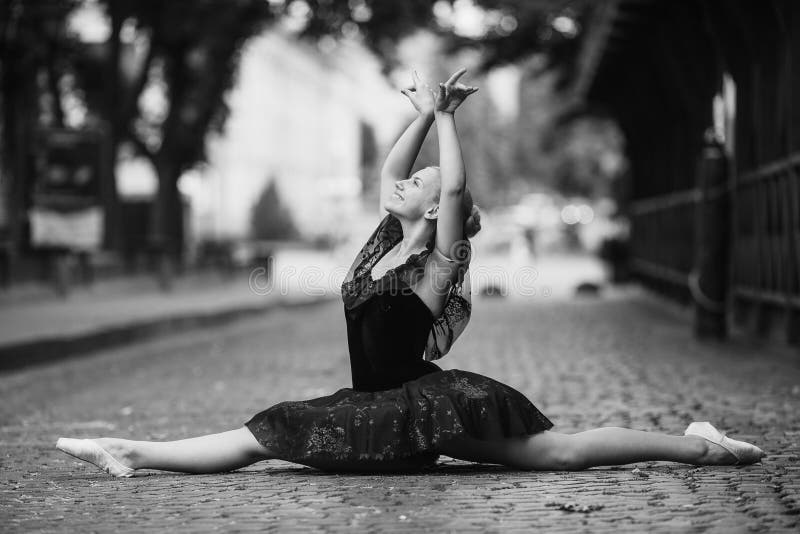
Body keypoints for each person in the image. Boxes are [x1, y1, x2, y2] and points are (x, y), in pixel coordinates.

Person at [56, 69, 764, 478]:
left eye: (422, 183)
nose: (408, 181)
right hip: (369, 406)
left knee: (561, 453)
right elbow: (394, 173)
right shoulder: (380, 248)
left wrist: (449, 123)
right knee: (261, 434)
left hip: (431, 407)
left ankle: (703, 449)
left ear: (435, 206)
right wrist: (425, 116)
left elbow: (450, 192)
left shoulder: (437, 263)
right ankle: (128, 450)